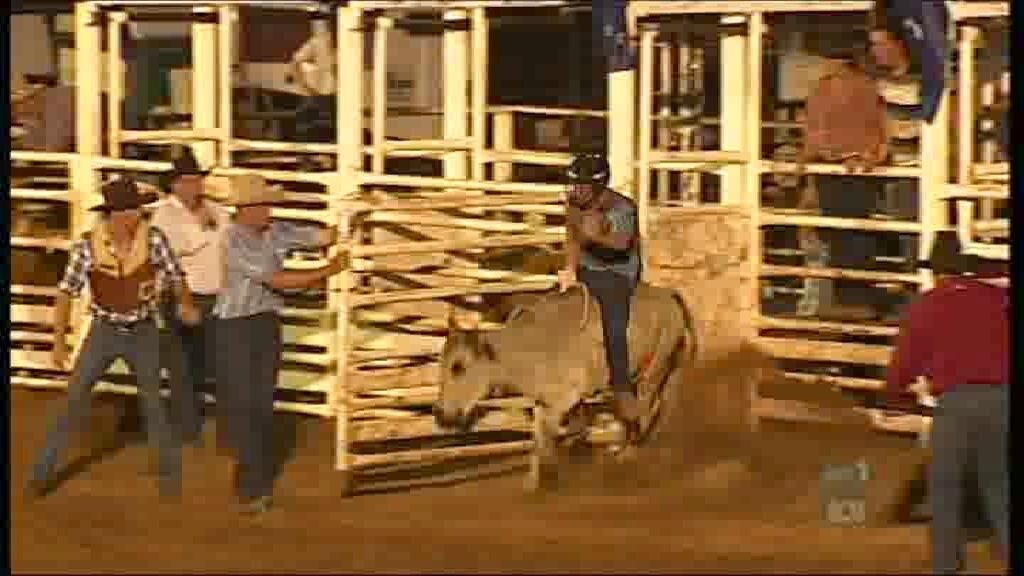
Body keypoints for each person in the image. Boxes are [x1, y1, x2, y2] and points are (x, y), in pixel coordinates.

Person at [28, 177, 201, 499]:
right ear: (114, 214)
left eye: (135, 210)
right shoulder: (87, 245)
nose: (134, 216)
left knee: (152, 402)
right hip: (105, 329)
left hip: (142, 328)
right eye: (129, 211)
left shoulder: (153, 240)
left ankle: (167, 475)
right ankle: (42, 472)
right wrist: (58, 339)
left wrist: (185, 301)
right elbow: (66, 292)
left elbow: (176, 274)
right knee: (73, 400)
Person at [215, 174, 346, 514]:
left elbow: (321, 237)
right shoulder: (233, 240)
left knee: (258, 402)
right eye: (262, 205)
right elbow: (278, 280)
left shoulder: (274, 231)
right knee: (250, 404)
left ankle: (251, 480)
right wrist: (327, 271)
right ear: (245, 209)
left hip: (260, 323)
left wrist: (351, 218)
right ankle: (251, 484)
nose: (268, 211)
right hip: (237, 327)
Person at [884, 231, 1009, 574]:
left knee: (945, 486)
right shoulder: (998, 300)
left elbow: (907, 359)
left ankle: (947, 565)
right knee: (999, 484)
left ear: (935, 271)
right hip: (1003, 399)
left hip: (957, 403)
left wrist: (893, 393)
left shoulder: (929, 304)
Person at [150, 147, 231, 446]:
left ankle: (222, 427)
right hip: (182, 294)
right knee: (182, 364)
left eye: (196, 179)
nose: (193, 185)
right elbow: (172, 259)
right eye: (186, 180)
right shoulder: (164, 216)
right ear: (173, 184)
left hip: (217, 293)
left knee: (218, 363)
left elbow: (229, 243)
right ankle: (186, 429)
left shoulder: (217, 211)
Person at [560, 152, 643, 439]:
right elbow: (571, 238)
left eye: (580, 185)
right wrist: (568, 270)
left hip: (618, 273)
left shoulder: (622, 208)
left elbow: (621, 245)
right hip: (586, 269)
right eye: (572, 184)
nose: (573, 191)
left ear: (597, 186)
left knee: (613, 322)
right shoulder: (573, 206)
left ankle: (622, 385)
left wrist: (594, 235)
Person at [288, 17, 336, 143]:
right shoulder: (318, 42)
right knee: (312, 129)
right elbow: (295, 61)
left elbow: (295, 62)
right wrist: (304, 85)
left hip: (332, 95)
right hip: (319, 95)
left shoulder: (344, 41)